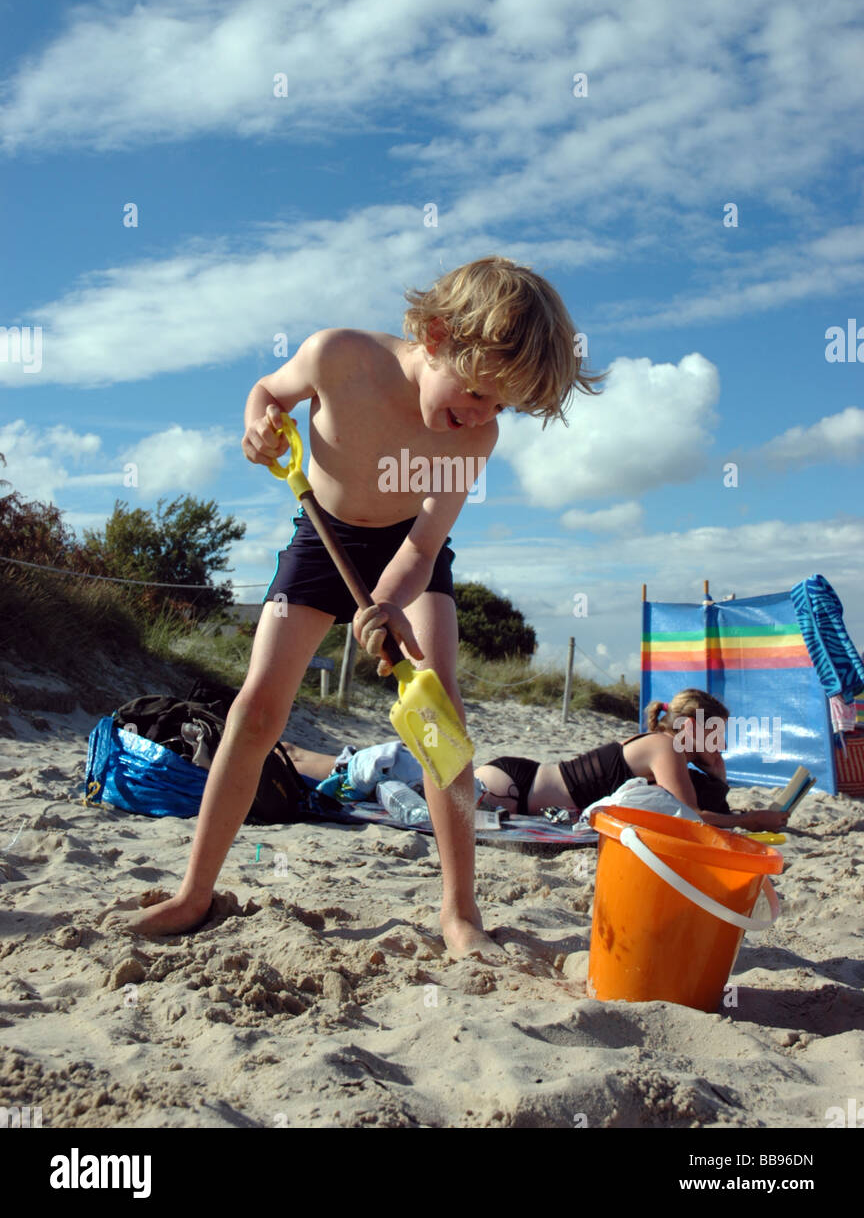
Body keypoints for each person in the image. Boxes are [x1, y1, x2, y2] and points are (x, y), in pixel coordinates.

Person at [109, 255, 606, 956]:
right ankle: (195, 892)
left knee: (442, 723)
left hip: (409, 555)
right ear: (436, 336)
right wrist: (259, 428)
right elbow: (266, 395)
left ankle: (459, 912)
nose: (481, 415)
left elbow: (426, 544)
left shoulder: (474, 436)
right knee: (256, 710)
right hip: (322, 538)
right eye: (477, 392)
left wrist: (388, 604)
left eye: (501, 407)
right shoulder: (338, 356)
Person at [474, 688, 790, 833]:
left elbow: (704, 813)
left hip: (524, 786)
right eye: (717, 733)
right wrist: (749, 821)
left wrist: (717, 775)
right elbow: (692, 817)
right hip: (514, 785)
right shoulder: (666, 748)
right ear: (691, 727)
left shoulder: (668, 748)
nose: (722, 743)